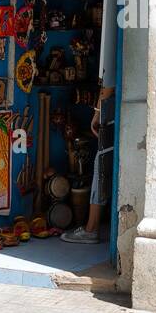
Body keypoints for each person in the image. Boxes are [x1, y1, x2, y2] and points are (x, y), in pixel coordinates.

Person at [61, 85, 115, 244]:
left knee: (102, 167)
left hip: (112, 117)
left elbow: (108, 85)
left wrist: (97, 114)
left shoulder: (110, 62)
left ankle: (91, 229)